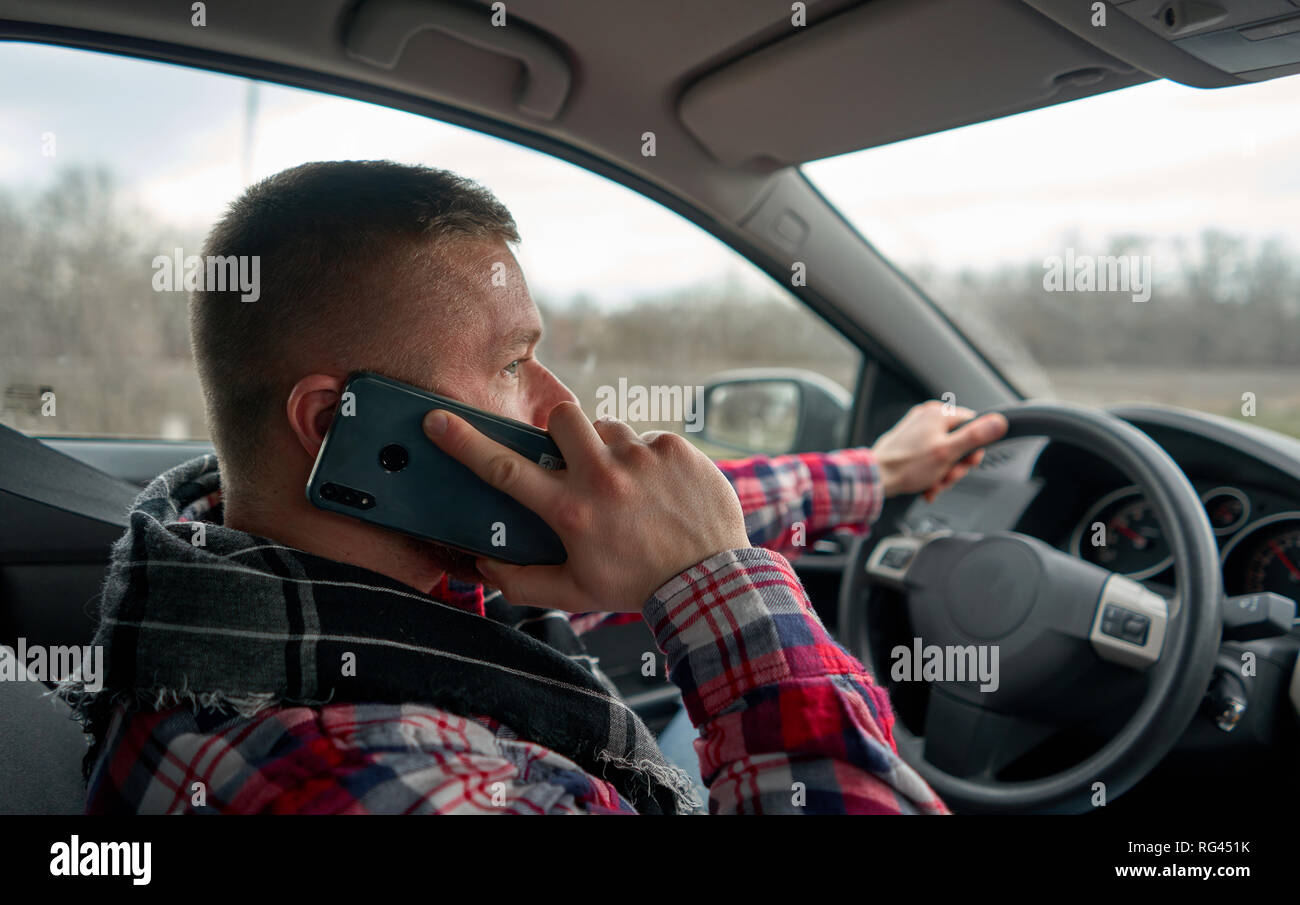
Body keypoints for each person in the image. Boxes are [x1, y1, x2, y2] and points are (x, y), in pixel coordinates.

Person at [65, 161, 1007, 814]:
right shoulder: (356, 773)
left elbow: (628, 520)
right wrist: (723, 583)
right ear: (337, 424)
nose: (564, 406)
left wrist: (879, 473)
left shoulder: (271, 572)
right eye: (515, 364)